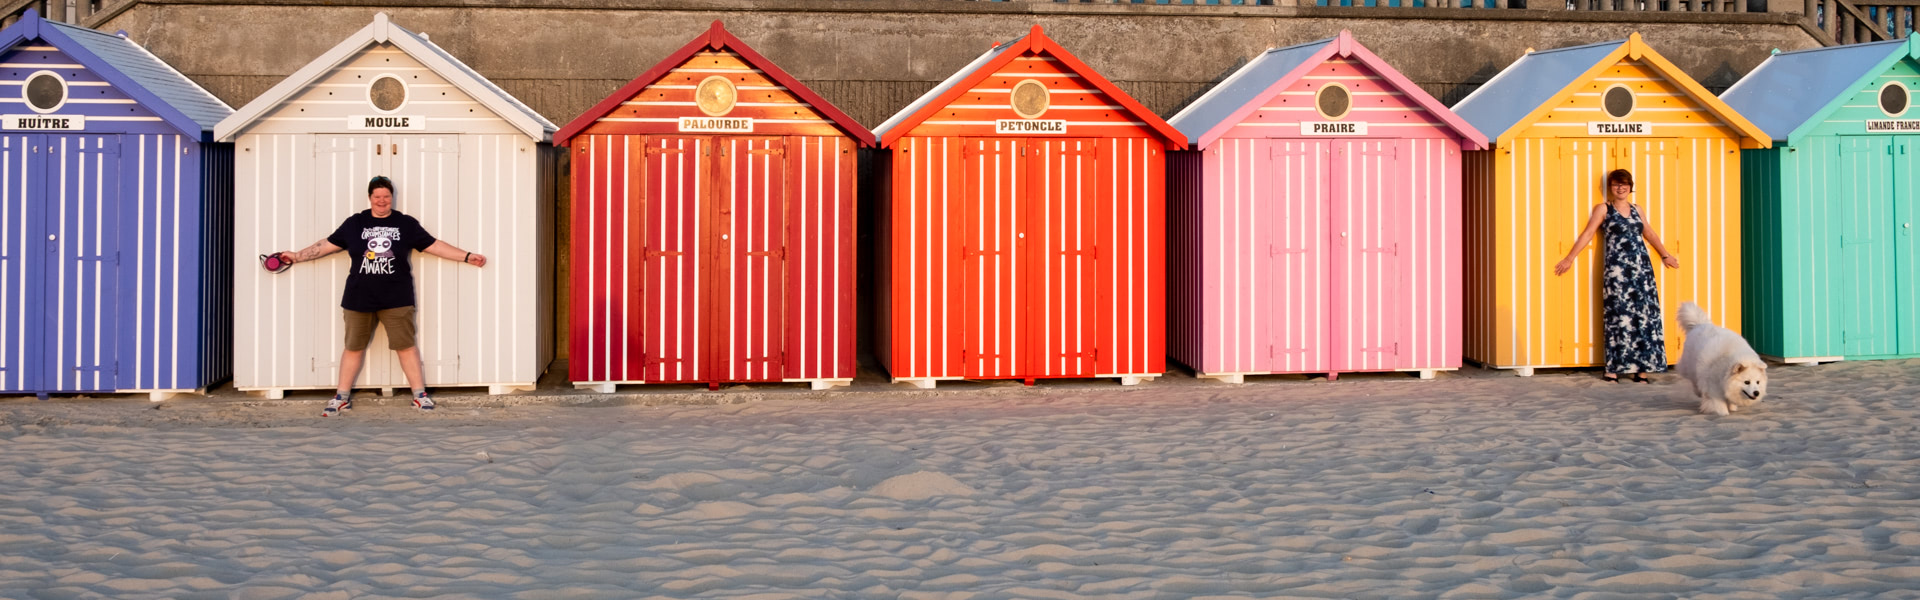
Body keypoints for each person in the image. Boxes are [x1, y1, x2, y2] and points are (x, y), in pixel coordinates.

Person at [274, 176, 487, 416]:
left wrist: (467, 256)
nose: (382, 200)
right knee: (353, 347)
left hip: (397, 298)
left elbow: (433, 245)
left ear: (391, 197)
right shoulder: (355, 223)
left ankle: (420, 395)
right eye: (377, 196)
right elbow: (325, 245)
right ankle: (341, 397)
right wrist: (296, 255)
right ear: (370, 198)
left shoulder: (405, 223)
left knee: (406, 346)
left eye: (386, 196)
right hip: (358, 298)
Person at [1552, 168, 1679, 383]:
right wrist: (1570, 258)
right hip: (1617, 271)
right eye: (1616, 184)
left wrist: (1665, 255)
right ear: (1610, 187)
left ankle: (1641, 369)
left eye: (1624, 184)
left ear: (1630, 186)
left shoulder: (1637, 208)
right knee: (1617, 316)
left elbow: (1649, 232)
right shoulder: (1603, 208)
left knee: (1643, 317)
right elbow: (1588, 233)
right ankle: (1612, 369)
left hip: (1641, 270)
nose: (1620, 188)